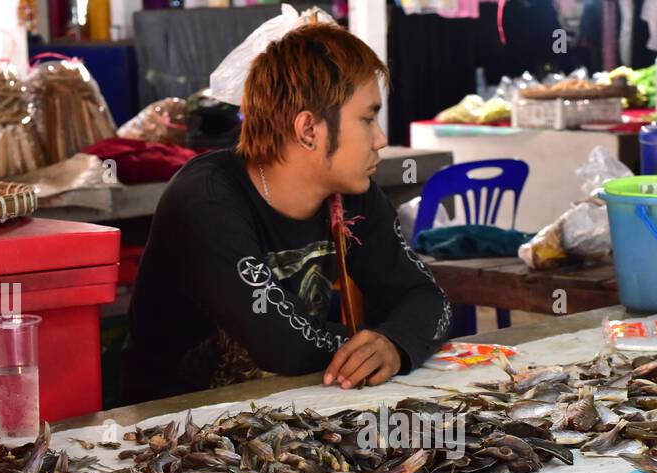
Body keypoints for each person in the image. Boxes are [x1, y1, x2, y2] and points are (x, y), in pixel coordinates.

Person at [123, 22, 452, 403]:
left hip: (288, 411)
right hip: (172, 429)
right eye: (367, 118)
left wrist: (394, 342)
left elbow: (429, 299)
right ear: (309, 129)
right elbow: (283, 345)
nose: (380, 139)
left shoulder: (351, 194)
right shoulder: (205, 199)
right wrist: (370, 341)